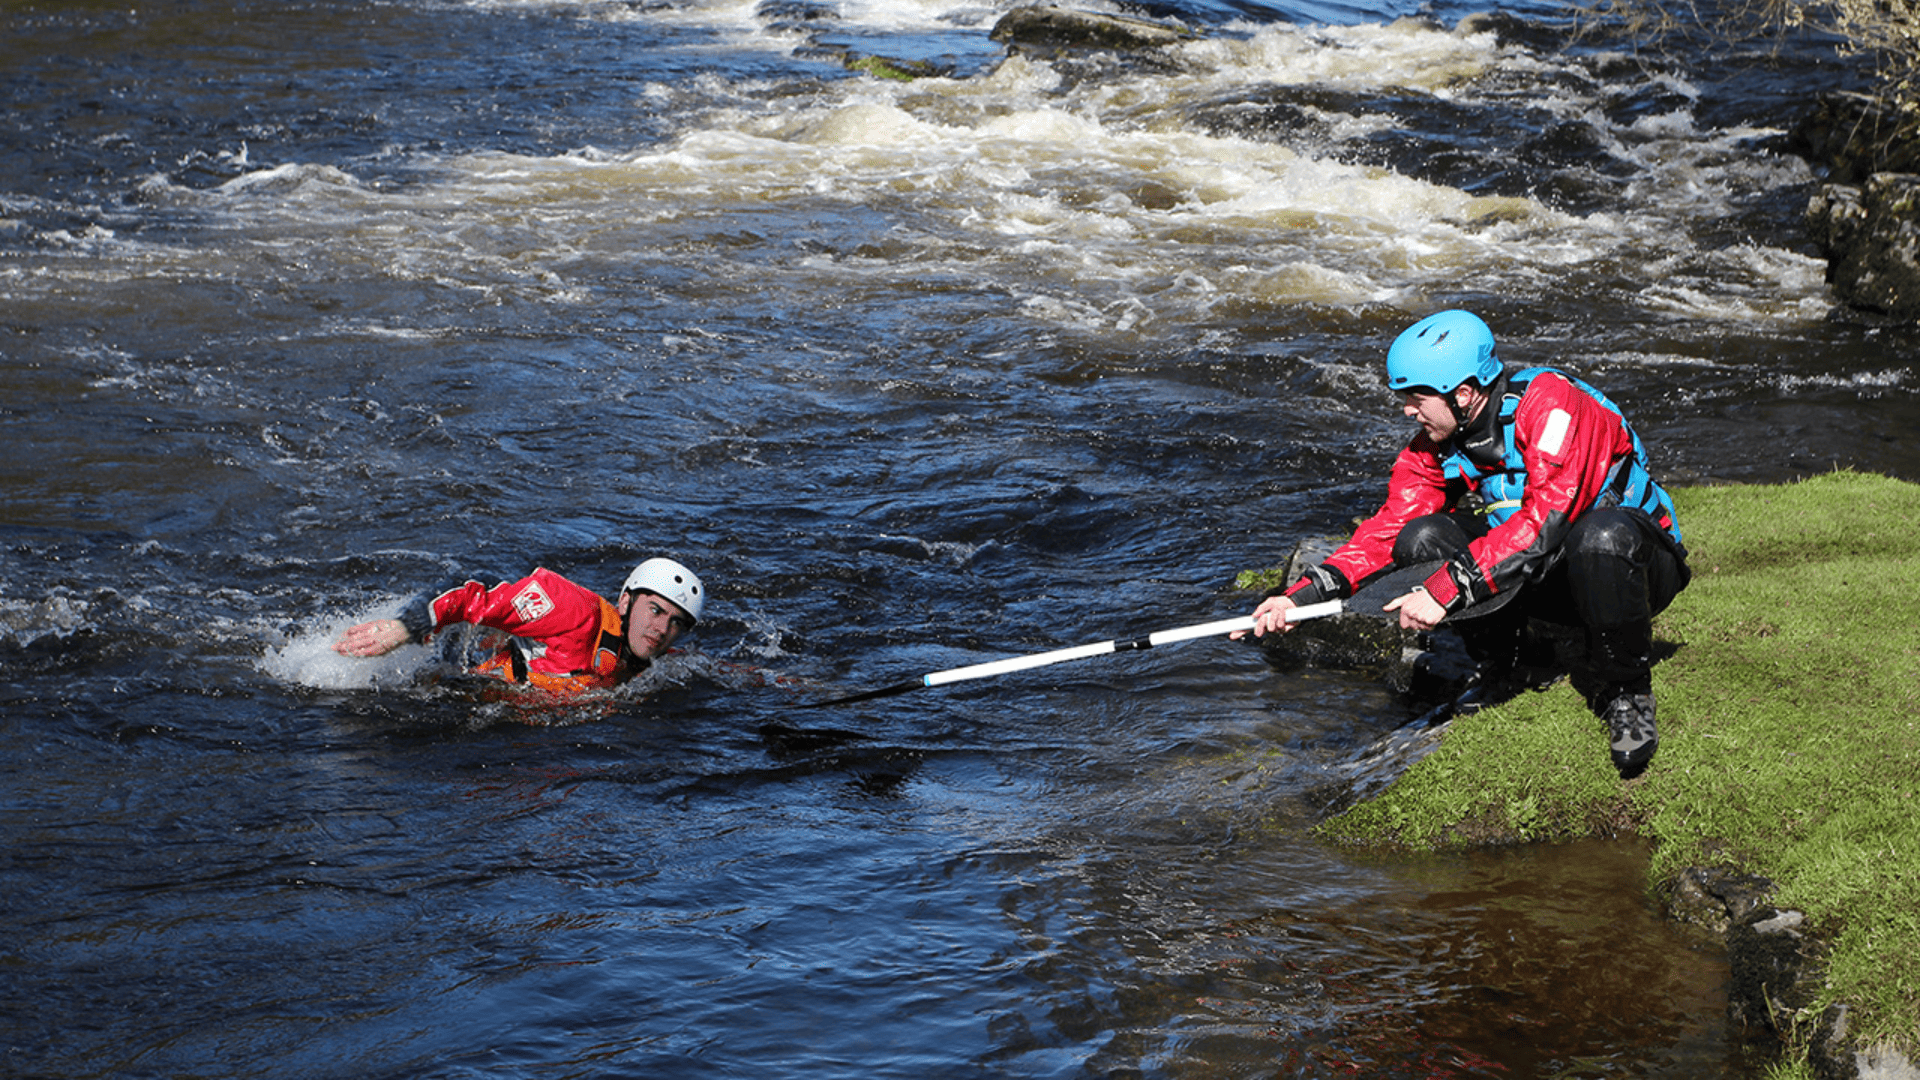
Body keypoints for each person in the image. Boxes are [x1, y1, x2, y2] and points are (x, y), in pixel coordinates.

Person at [1245, 310, 1689, 777]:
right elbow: (1390, 527)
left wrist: (1447, 588)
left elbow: (1545, 523)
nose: (1407, 411)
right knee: (1422, 536)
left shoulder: (1555, 407)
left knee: (1602, 536)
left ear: (1463, 393)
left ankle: (1626, 692)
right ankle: (1506, 665)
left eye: (1416, 399)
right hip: (1545, 576)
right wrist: (1300, 598)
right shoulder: (1434, 445)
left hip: (1632, 569)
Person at [334, 556, 706, 698]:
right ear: (625, 602)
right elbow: (472, 589)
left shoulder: (653, 659)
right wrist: (405, 628)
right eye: (655, 610)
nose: (662, 628)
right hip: (459, 673)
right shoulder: (572, 611)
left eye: (677, 622)